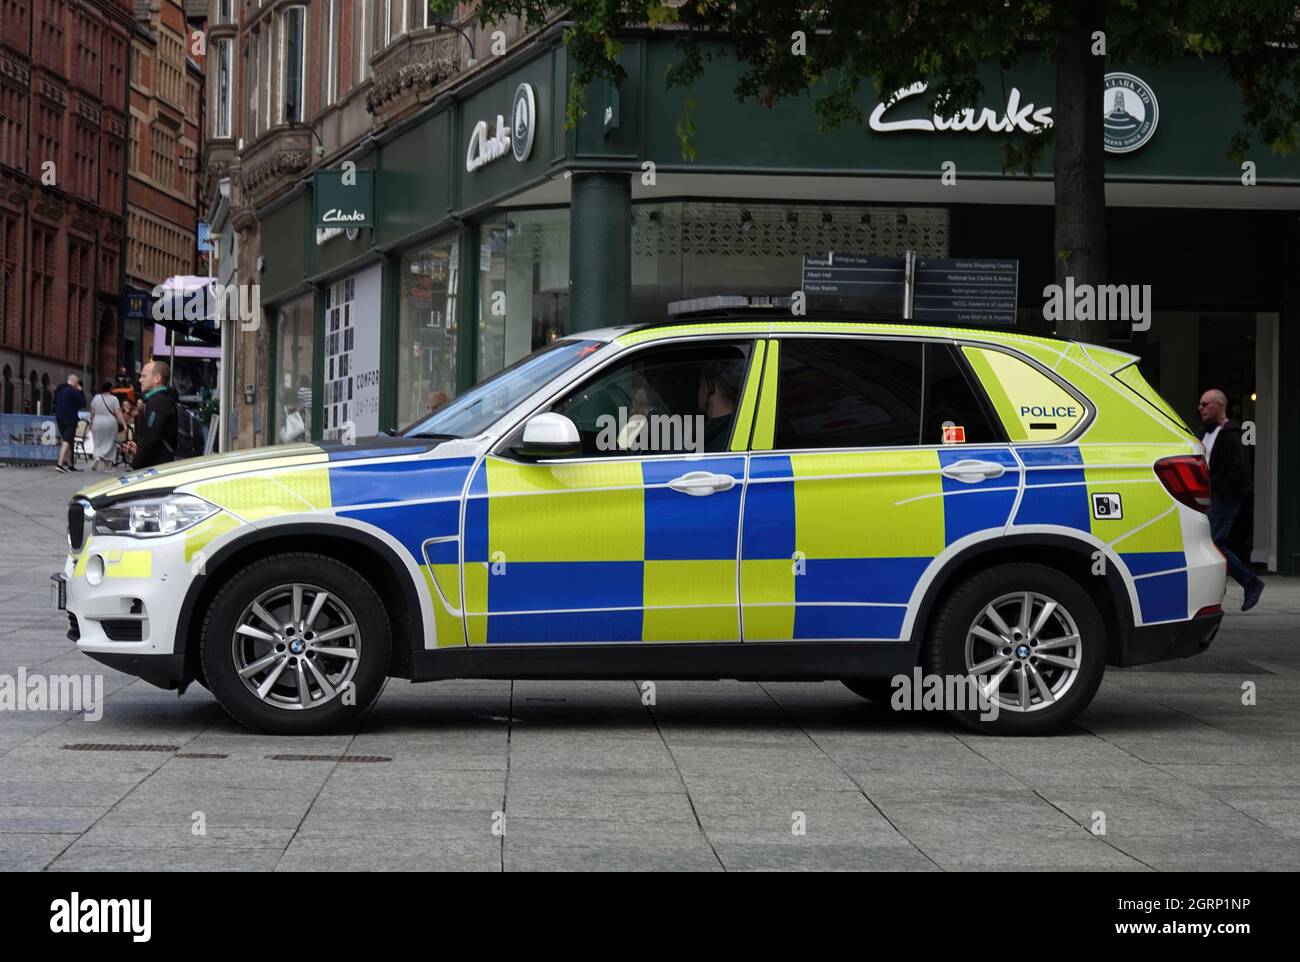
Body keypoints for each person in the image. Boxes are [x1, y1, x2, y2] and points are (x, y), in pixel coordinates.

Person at [1197, 389, 1264, 611]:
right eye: (1201, 404)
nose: (1201, 408)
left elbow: (1240, 471)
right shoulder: (1204, 434)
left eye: (1206, 404)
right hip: (1208, 499)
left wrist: (1219, 492)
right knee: (1210, 544)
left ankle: (1250, 582)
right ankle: (1216, 592)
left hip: (1224, 498)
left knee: (1213, 542)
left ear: (1220, 406)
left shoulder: (1231, 434)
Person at [127, 361, 179, 469]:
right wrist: (139, 447)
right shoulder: (159, 400)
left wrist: (135, 464)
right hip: (158, 463)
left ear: (157, 378)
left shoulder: (158, 402)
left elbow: (151, 438)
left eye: (144, 376)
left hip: (157, 467)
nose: (140, 380)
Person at [697, 361, 740, 452]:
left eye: (700, 385)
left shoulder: (710, 438)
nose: (699, 391)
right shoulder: (739, 426)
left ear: (710, 387)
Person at [88, 381, 126, 472]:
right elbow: (118, 412)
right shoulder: (114, 399)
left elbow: (92, 412)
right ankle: (107, 466)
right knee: (111, 442)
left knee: (98, 441)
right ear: (110, 388)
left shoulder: (96, 398)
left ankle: (98, 455)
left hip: (97, 421)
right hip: (110, 422)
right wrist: (124, 423)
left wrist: (91, 422)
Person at [52, 374, 85, 473]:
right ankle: (60, 464)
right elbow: (82, 402)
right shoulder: (74, 390)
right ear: (75, 382)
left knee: (69, 440)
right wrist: (80, 391)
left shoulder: (59, 389)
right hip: (70, 418)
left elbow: (54, 401)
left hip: (59, 417)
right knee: (66, 441)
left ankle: (70, 465)